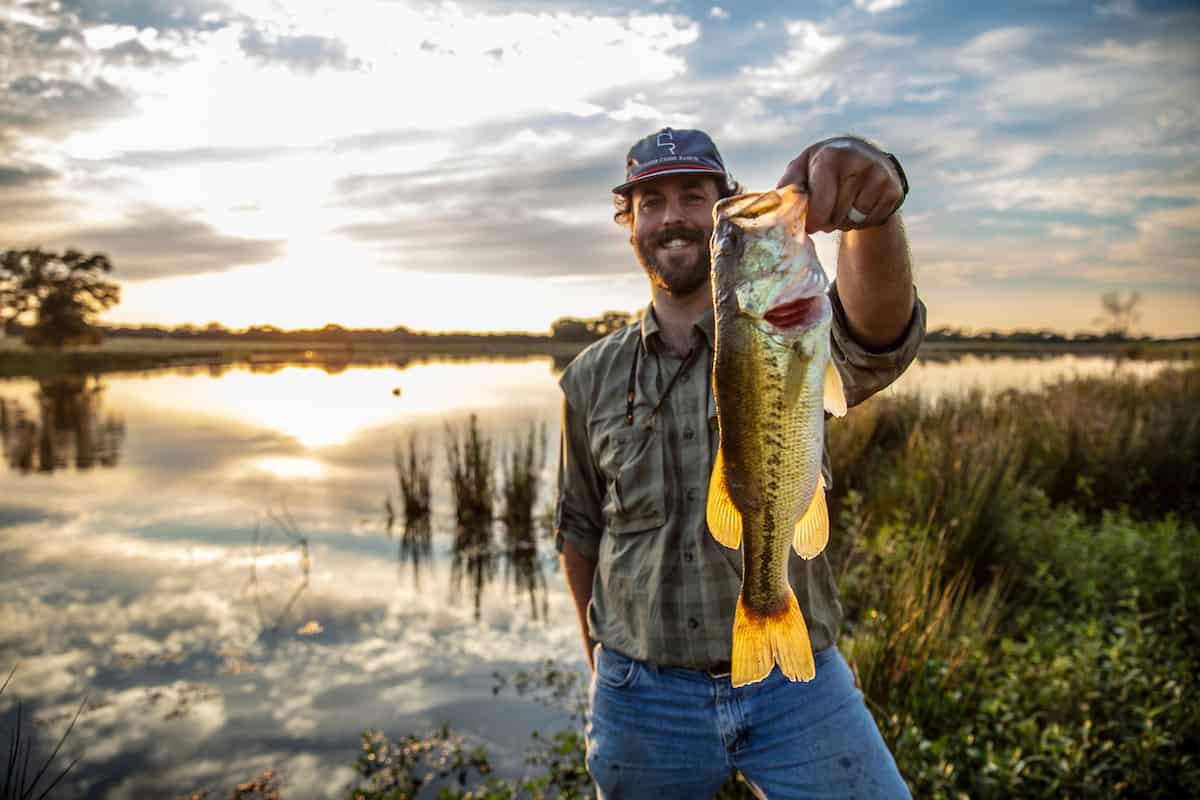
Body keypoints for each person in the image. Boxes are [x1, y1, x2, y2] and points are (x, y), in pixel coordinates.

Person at [554, 127, 925, 799]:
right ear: (630, 222)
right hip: (641, 692)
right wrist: (601, 667)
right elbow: (577, 529)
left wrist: (875, 213)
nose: (672, 217)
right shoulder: (588, 378)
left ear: (722, 206)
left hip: (798, 681)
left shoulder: (796, 321)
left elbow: (878, 337)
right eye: (651, 201)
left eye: (694, 196)